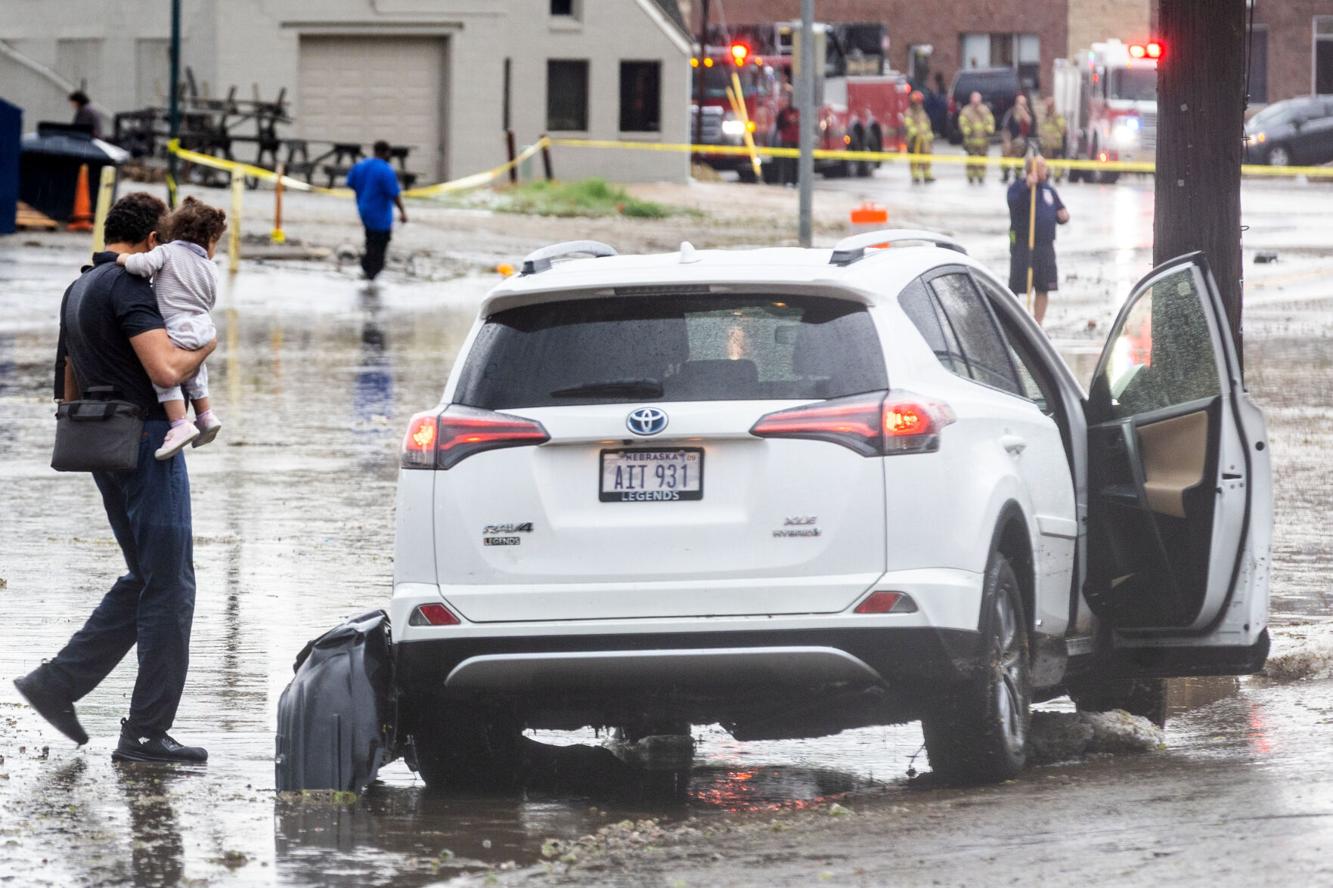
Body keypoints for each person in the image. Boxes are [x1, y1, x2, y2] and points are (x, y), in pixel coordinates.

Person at [14, 192, 215, 763]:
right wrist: (206, 344)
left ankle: (57, 684)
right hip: (148, 441)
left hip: (103, 443)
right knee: (172, 586)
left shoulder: (79, 286)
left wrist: (90, 438)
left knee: (145, 576)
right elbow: (165, 367)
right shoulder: (130, 288)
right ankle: (147, 732)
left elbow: (67, 377)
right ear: (154, 242)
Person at [116, 196, 226, 459]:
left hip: (177, 323)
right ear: (208, 239)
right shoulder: (209, 267)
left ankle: (179, 424)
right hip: (203, 325)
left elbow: (140, 266)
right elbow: (210, 299)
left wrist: (120, 259)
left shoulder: (167, 252)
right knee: (195, 369)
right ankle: (205, 415)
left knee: (166, 374)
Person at [1007, 156, 1070, 326]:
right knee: (1018, 284)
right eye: (1042, 167)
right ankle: (1015, 322)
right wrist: (1028, 186)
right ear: (1032, 169)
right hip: (1023, 245)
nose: (1046, 170)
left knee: (1043, 286)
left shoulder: (1048, 190)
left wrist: (1063, 216)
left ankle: (1038, 323)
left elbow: (1060, 210)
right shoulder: (1018, 187)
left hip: (1045, 246)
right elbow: (1013, 203)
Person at [346, 141, 407, 281]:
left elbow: (351, 183)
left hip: (363, 209)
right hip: (380, 214)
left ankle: (368, 268)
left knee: (370, 239)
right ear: (386, 152)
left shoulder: (360, 166)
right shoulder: (385, 170)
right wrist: (403, 211)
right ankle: (371, 271)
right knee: (380, 243)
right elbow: (394, 193)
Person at [959, 92, 995, 185]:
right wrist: (966, 130)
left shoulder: (985, 110)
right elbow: (962, 122)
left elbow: (990, 120)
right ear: (971, 100)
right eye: (974, 101)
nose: (976, 104)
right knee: (971, 160)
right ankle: (970, 177)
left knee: (982, 160)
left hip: (983, 140)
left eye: (978, 101)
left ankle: (981, 177)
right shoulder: (966, 111)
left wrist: (990, 128)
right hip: (971, 141)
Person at [1000, 94, 1034, 183]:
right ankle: (1005, 173)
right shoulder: (1010, 113)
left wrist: (1024, 114)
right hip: (1010, 139)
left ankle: (1018, 175)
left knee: (1020, 150)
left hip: (1022, 141)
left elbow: (1031, 126)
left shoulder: (1028, 114)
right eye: (1019, 103)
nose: (1020, 106)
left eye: (1023, 104)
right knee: (1005, 152)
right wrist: (1007, 141)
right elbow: (1005, 127)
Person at [903, 91, 935, 184]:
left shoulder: (922, 112)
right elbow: (908, 125)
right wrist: (915, 133)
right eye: (917, 102)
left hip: (925, 140)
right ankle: (915, 176)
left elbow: (927, 124)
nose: (918, 104)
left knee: (926, 157)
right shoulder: (909, 112)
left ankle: (927, 175)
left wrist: (929, 136)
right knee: (914, 159)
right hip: (914, 140)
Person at [1039, 97, 1068, 182]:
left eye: (1050, 106)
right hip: (1046, 145)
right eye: (1047, 106)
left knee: (1058, 161)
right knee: (1044, 162)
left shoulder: (1058, 117)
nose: (1048, 108)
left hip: (1056, 145)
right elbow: (1040, 130)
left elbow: (1063, 130)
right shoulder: (1044, 118)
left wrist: (1054, 120)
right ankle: (1046, 175)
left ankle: (1057, 177)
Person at [774, 89, 800, 187]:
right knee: (787, 162)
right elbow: (779, 125)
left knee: (796, 162)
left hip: (797, 141)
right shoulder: (784, 112)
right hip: (786, 141)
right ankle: (787, 181)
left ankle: (796, 181)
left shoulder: (800, 112)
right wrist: (788, 123)